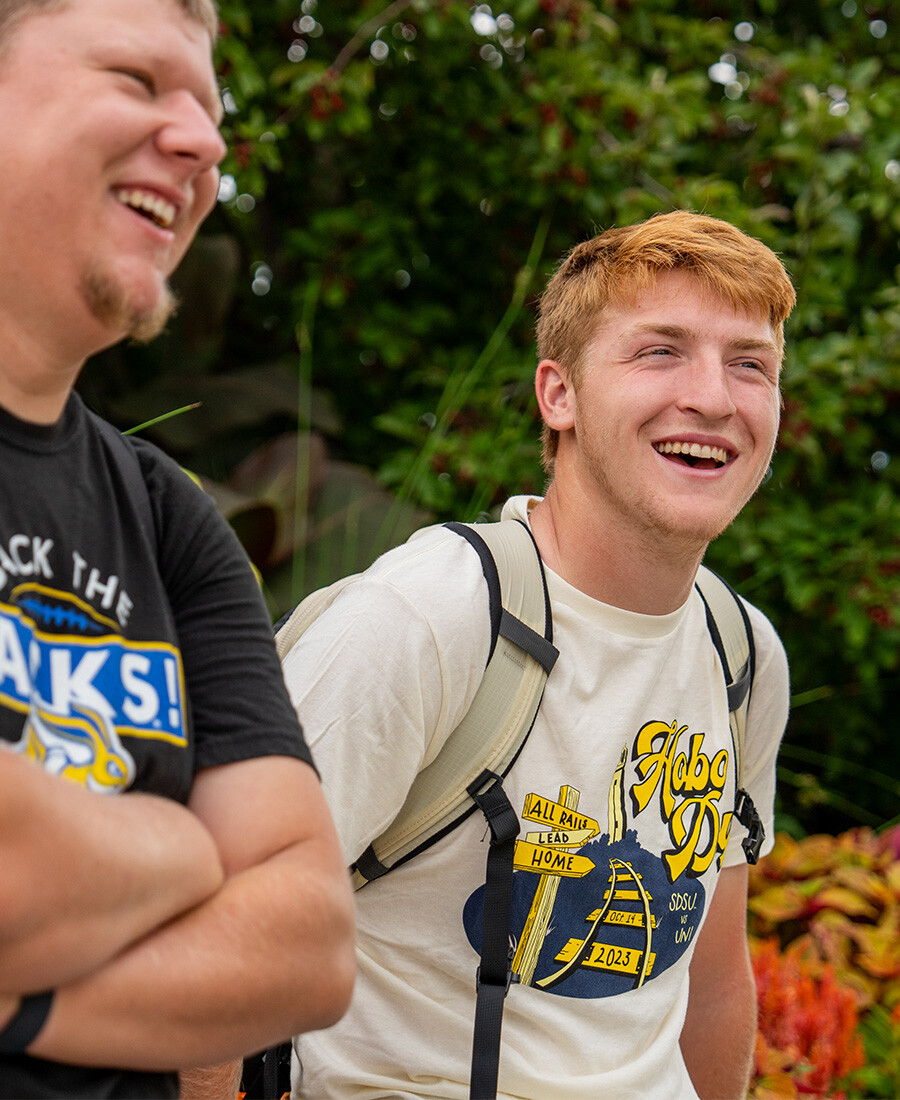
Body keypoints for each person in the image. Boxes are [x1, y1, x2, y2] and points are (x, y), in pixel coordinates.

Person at [280, 211, 796, 1099]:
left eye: (750, 364)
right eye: (661, 352)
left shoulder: (741, 652)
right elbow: (215, 922)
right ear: (558, 395)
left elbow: (713, 981)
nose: (714, 398)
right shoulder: (426, 618)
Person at [0, 0, 355, 1096]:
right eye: (137, 81)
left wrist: (28, 1008)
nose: (204, 144)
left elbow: (310, 942)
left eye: (210, 111)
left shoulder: (169, 517)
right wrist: (193, 853)